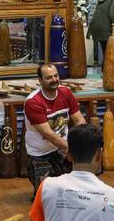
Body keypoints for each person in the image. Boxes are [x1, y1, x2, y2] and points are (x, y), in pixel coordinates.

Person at [23, 62, 87, 193]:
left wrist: (84, 142)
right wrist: (71, 149)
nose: (54, 80)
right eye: (49, 78)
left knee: (77, 188)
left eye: (56, 76)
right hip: (40, 155)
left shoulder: (66, 93)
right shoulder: (32, 102)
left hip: (61, 150)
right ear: (40, 80)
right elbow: (47, 134)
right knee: (47, 194)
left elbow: (79, 119)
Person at [87, 0, 114, 66]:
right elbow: (112, 13)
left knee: (106, 53)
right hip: (106, 28)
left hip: (97, 27)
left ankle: (106, 73)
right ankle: (109, 74)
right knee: (111, 53)